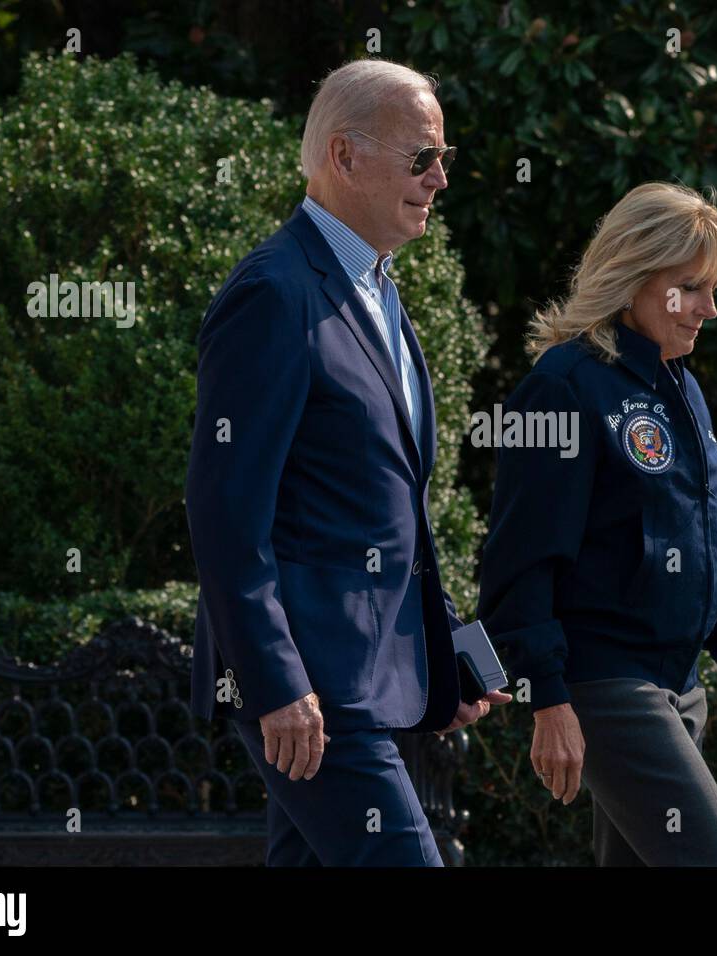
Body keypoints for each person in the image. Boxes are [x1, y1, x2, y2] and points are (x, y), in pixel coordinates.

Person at [185, 57, 509, 867]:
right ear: (344, 156)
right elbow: (226, 514)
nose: (439, 180)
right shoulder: (274, 293)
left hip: (365, 685)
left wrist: (445, 660)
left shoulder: (379, 288)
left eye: (445, 160)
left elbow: (385, 512)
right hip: (316, 690)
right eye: (421, 159)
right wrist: (275, 684)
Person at [477, 181, 717, 866]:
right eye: (691, 287)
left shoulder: (680, 386)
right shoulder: (563, 384)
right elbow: (521, 560)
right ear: (634, 272)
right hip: (608, 690)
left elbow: (714, 560)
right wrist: (547, 697)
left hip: (683, 692)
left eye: (714, 289)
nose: (709, 310)